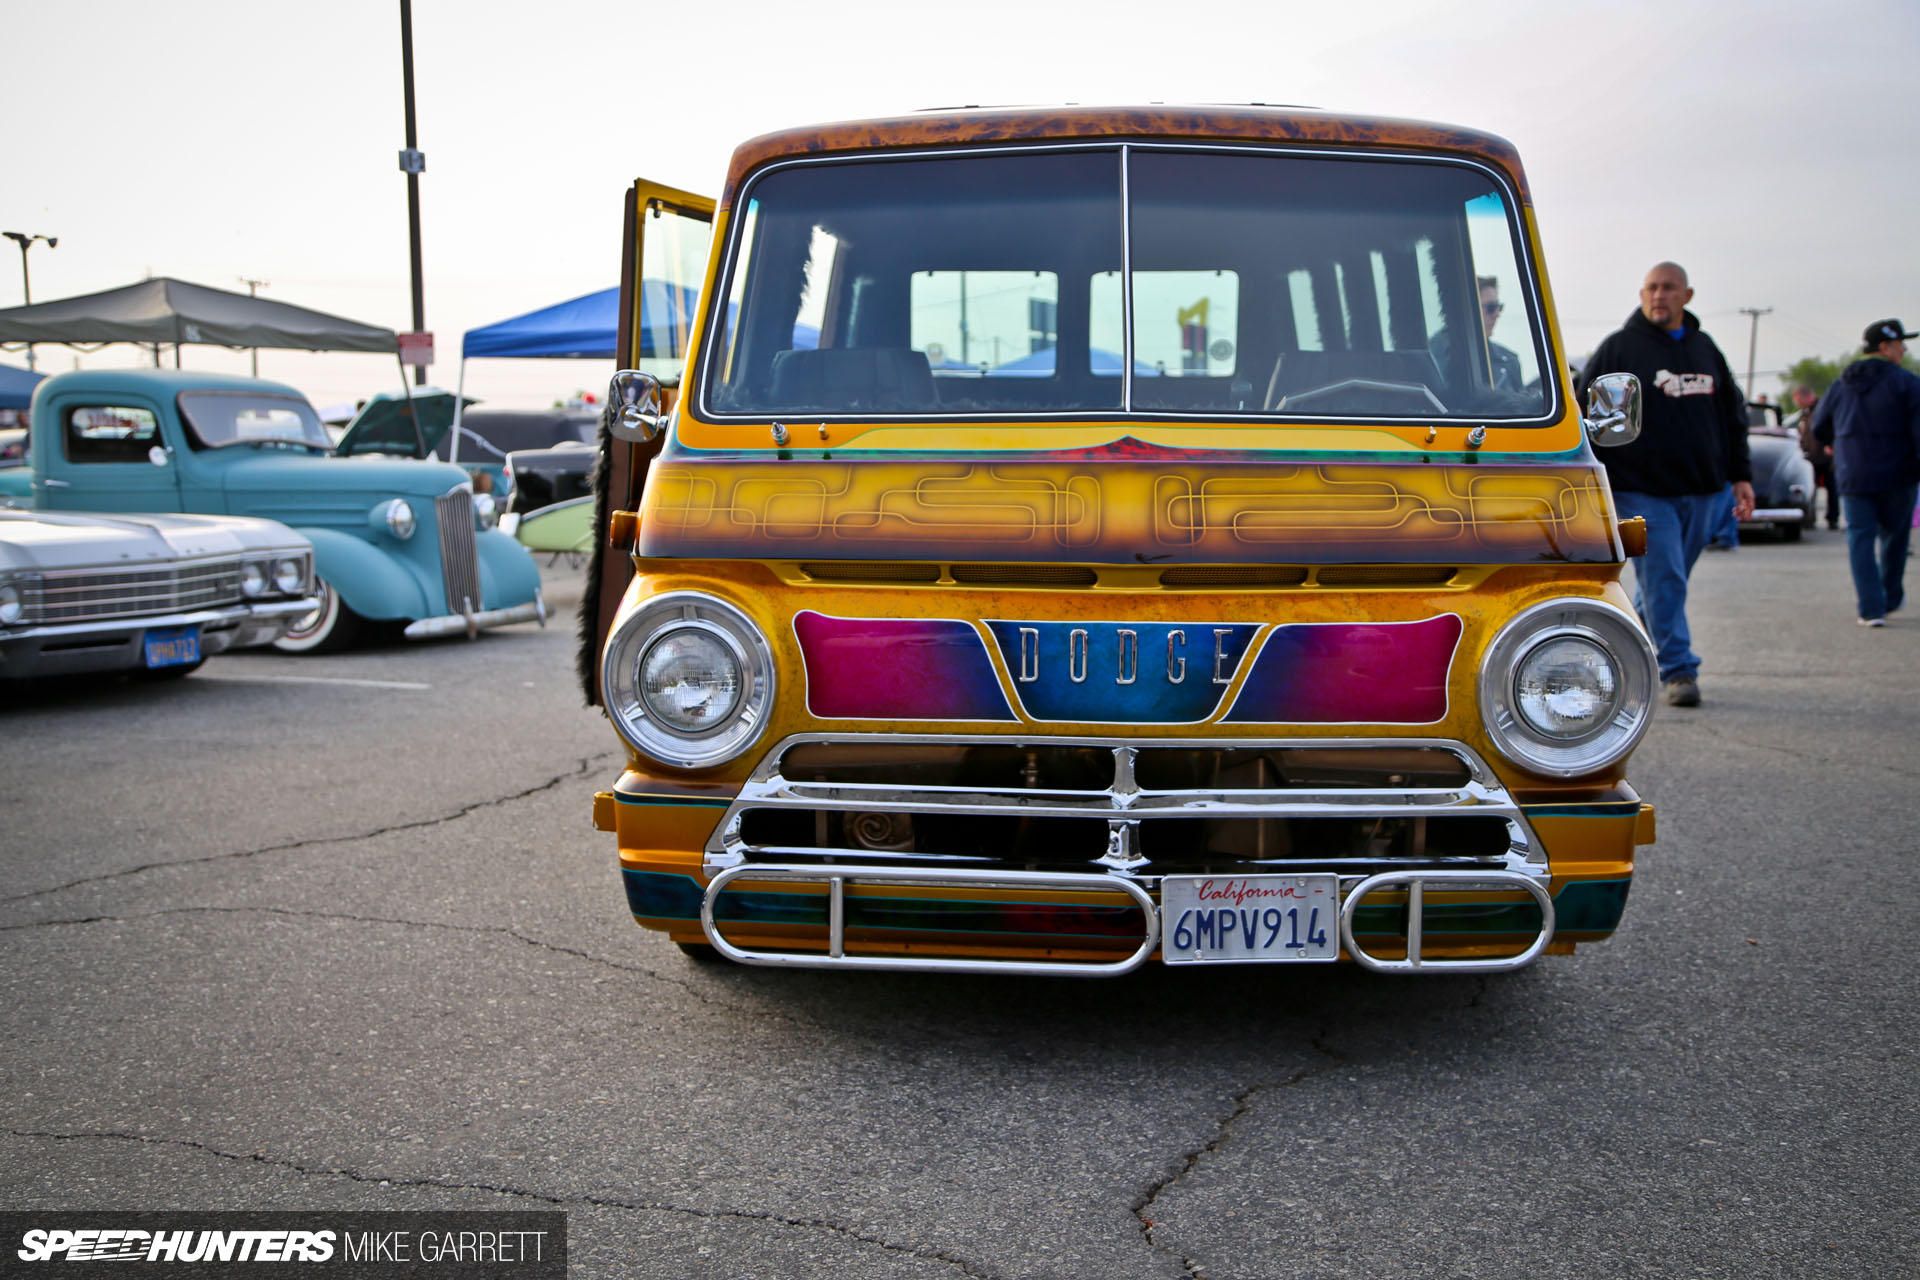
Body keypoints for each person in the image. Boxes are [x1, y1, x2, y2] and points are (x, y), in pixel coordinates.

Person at [1578, 262, 1753, 707]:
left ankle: (1613, 651)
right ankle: (1678, 670)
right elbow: (1584, 412)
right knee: (1667, 580)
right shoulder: (1619, 349)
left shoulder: (1705, 348)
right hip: (1642, 491)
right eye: (1652, 288)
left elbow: (1732, 415)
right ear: (1642, 294)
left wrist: (1741, 476)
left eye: (1669, 288)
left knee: (1664, 586)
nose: (1659, 295)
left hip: (1705, 491)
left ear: (1686, 296)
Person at [1810, 320, 1920, 627]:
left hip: (1853, 473)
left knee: (1860, 538)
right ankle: (1890, 596)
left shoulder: (1841, 383)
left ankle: (1871, 609)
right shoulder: (1907, 383)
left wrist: (1836, 444)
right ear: (1885, 347)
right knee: (1894, 537)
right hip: (1898, 475)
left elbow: (1819, 426)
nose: (1904, 350)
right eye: (1900, 344)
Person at [1790, 383, 1839, 529]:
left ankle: (1833, 518)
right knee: (1811, 489)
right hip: (1811, 457)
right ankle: (1810, 518)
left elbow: (1831, 427)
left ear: (1804, 397)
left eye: (1798, 400)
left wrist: (1830, 444)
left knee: (1832, 488)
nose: (1798, 404)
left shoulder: (1823, 408)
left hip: (1826, 456)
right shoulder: (1806, 413)